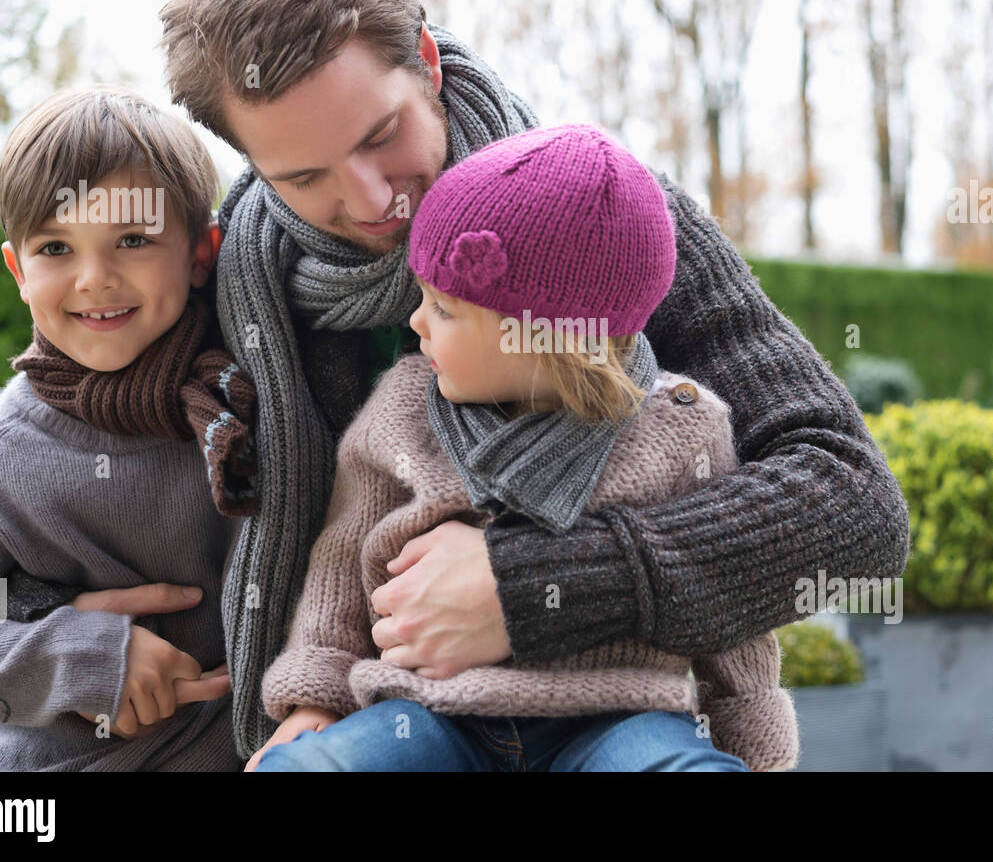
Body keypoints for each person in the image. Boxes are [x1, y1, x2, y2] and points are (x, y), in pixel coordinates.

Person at [10, 0, 910, 762]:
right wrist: (54, 632)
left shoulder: (608, 229)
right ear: (249, 162)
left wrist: (533, 588)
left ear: (429, 63)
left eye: (383, 133)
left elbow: (853, 507)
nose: (370, 199)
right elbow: (20, 495)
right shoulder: (207, 281)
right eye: (305, 174)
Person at [248, 124, 798, 772]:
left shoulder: (681, 427)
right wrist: (314, 700)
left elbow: (723, 606)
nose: (416, 321)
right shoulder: (400, 409)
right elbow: (341, 566)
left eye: (444, 309)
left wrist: (749, 724)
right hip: (429, 712)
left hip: (618, 716)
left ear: (542, 336)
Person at [0, 87, 256, 770]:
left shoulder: (246, 407)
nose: (95, 278)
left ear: (201, 252)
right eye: (57, 246)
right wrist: (80, 653)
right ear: (17, 270)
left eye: (132, 239)